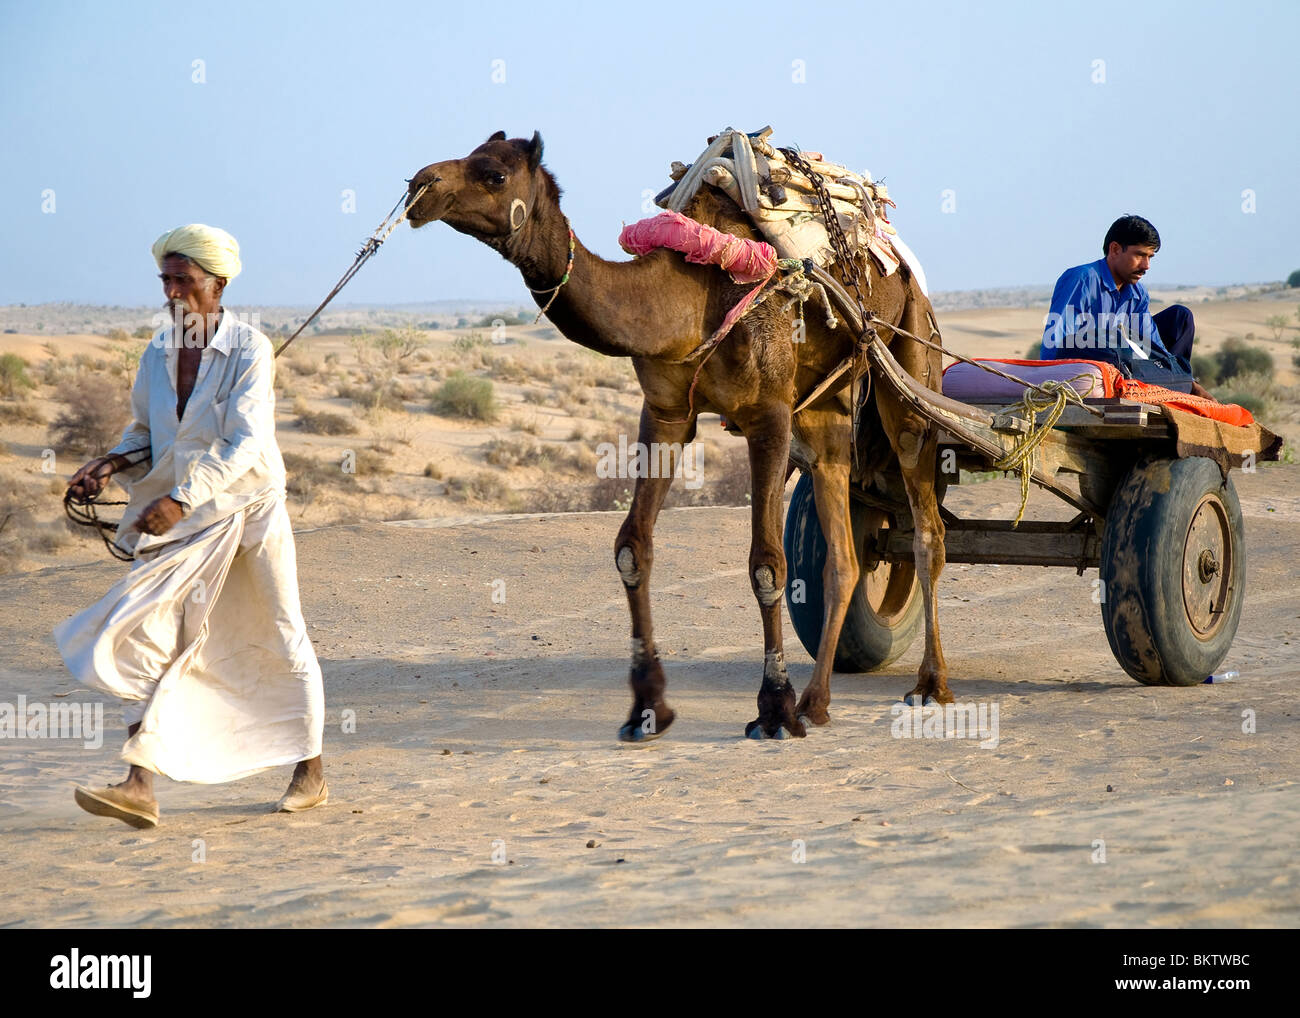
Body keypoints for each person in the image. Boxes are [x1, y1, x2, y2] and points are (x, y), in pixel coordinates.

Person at [55, 224, 327, 829]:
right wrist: (110, 463)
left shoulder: (250, 350)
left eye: (185, 280)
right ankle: (138, 784)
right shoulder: (157, 351)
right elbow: (147, 433)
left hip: (248, 508)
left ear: (218, 283)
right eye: (167, 280)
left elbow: (245, 444)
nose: (173, 291)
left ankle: (310, 770)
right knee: (142, 630)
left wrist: (180, 496)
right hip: (180, 517)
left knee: (280, 630)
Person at [1039, 215, 1212, 398]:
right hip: (1093, 362)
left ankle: (1174, 384)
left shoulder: (1138, 293)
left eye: (1150, 257)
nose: (1146, 266)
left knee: (1180, 317)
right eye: (1139, 255)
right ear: (1114, 249)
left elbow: (1151, 343)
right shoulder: (1082, 278)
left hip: (1128, 360)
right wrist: (1048, 387)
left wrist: (1189, 382)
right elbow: (1057, 338)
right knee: (1106, 341)